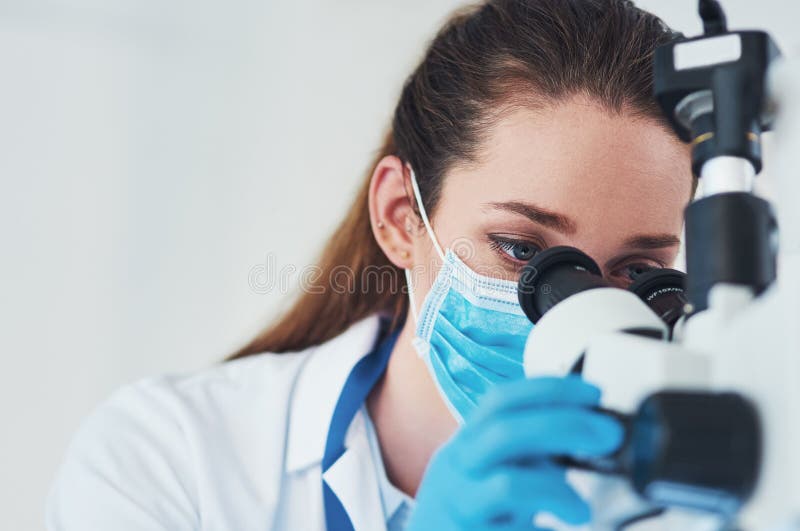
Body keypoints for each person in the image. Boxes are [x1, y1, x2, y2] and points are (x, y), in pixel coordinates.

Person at [46, 0, 696, 529]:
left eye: (639, 272)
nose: (581, 310)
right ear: (399, 217)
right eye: (523, 251)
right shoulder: (172, 456)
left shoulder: (682, 499)